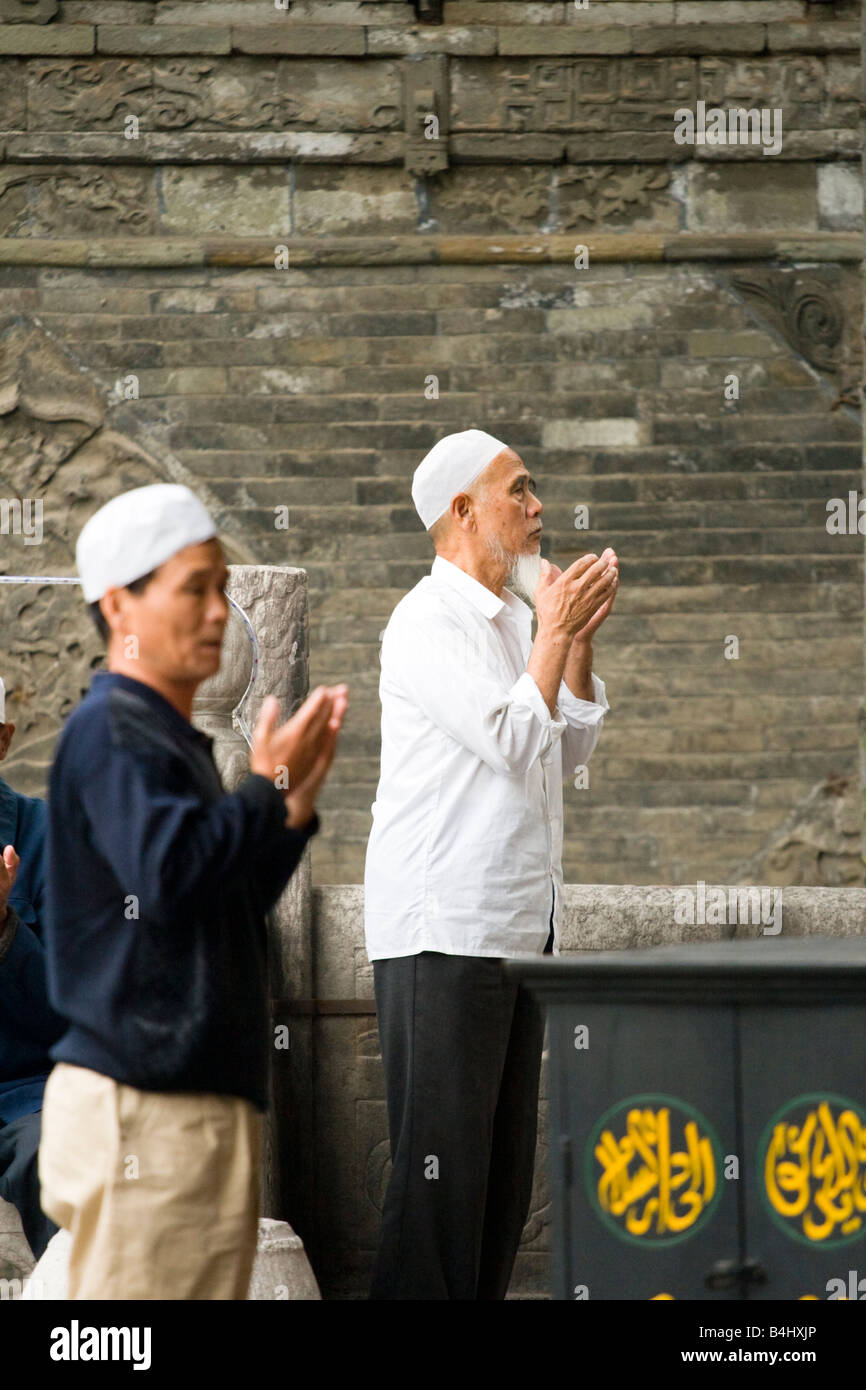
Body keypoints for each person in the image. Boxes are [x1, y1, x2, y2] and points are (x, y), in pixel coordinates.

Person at [38, 483, 348, 1299]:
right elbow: (169, 875)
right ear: (119, 604)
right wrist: (262, 787)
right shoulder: (110, 730)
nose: (220, 612)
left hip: (194, 1107)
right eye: (194, 589)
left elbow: (225, 904)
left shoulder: (164, 736)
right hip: (145, 1110)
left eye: (222, 587)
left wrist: (287, 813)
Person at [365, 429, 618, 1300]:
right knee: (440, 1184)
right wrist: (552, 631)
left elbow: (566, 751)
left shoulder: (519, 619)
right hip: (444, 927)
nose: (539, 505)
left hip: (517, 927)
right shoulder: (424, 622)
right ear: (463, 512)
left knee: (500, 1187)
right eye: (520, 489)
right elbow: (515, 738)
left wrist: (572, 638)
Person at [0, 676, 63, 1261]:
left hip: (26, 1096)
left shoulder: (45, 836)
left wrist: (4, 930)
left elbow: (68, 1010)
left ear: (3, 740)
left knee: (59, 1151)